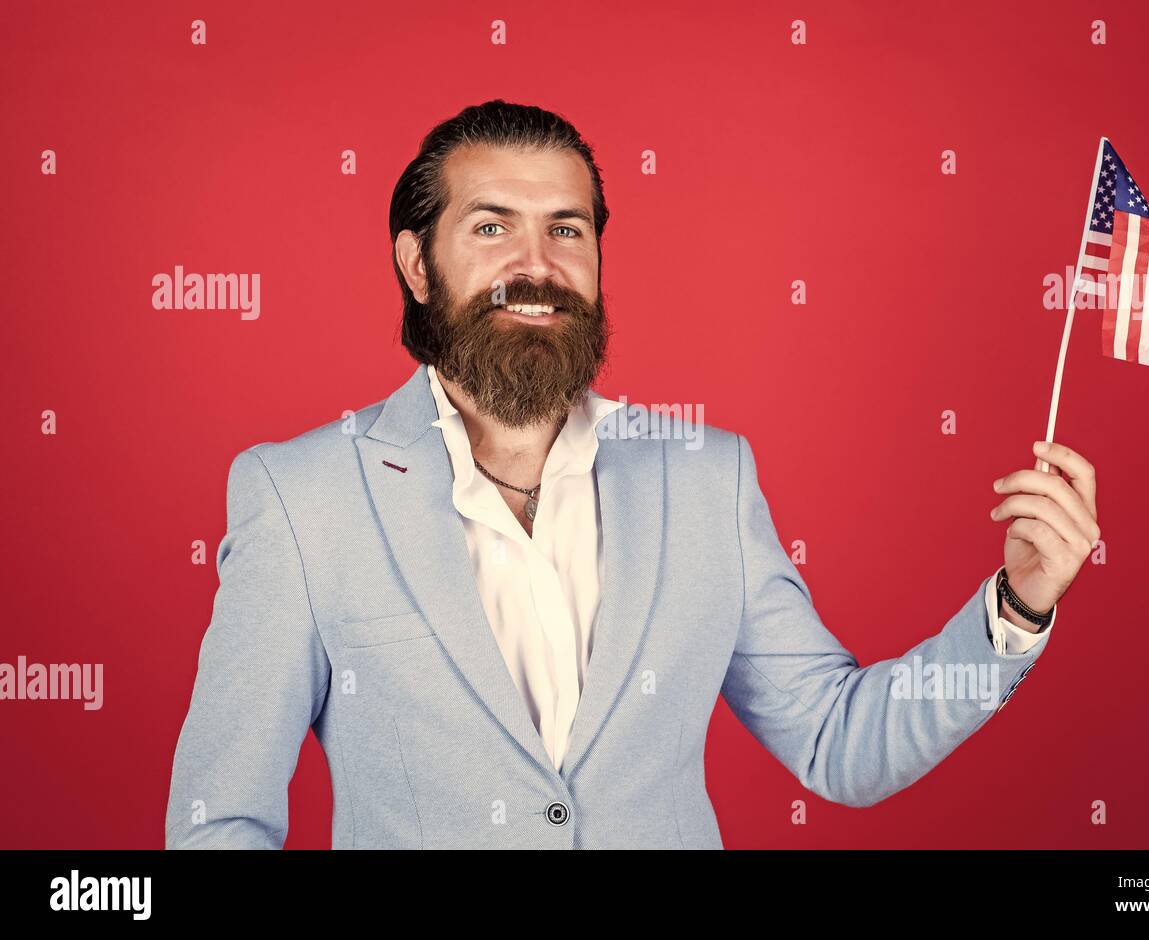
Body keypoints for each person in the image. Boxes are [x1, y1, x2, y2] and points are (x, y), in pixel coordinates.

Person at [165, 99, 1100, 849]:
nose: (536, 265)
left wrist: (1015, 609)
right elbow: (222, 818)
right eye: (491, 228)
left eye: (567, 231)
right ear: (417, 263)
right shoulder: (301, 498)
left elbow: (836, 743)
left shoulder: (709, 478)